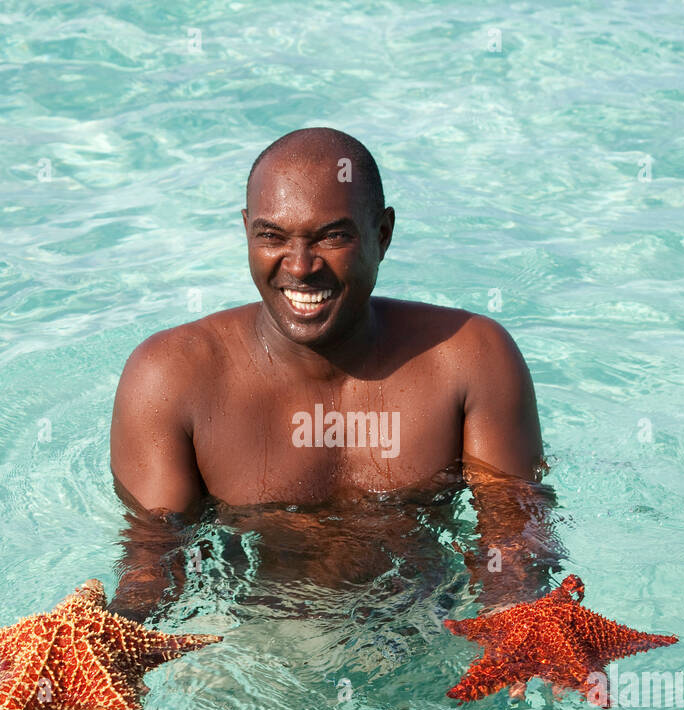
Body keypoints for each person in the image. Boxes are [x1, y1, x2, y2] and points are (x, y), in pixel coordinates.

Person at [109, 127, 561, 625]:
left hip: (431, 620)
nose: (300, 267)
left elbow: (515, 532)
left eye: (332, 236)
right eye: (271, 236)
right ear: (246, 232)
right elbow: (153, 558)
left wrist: (519, 632)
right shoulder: (170, 377)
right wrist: (106, 647)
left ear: (382, 235)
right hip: (244, 635)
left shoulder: (470, 358)